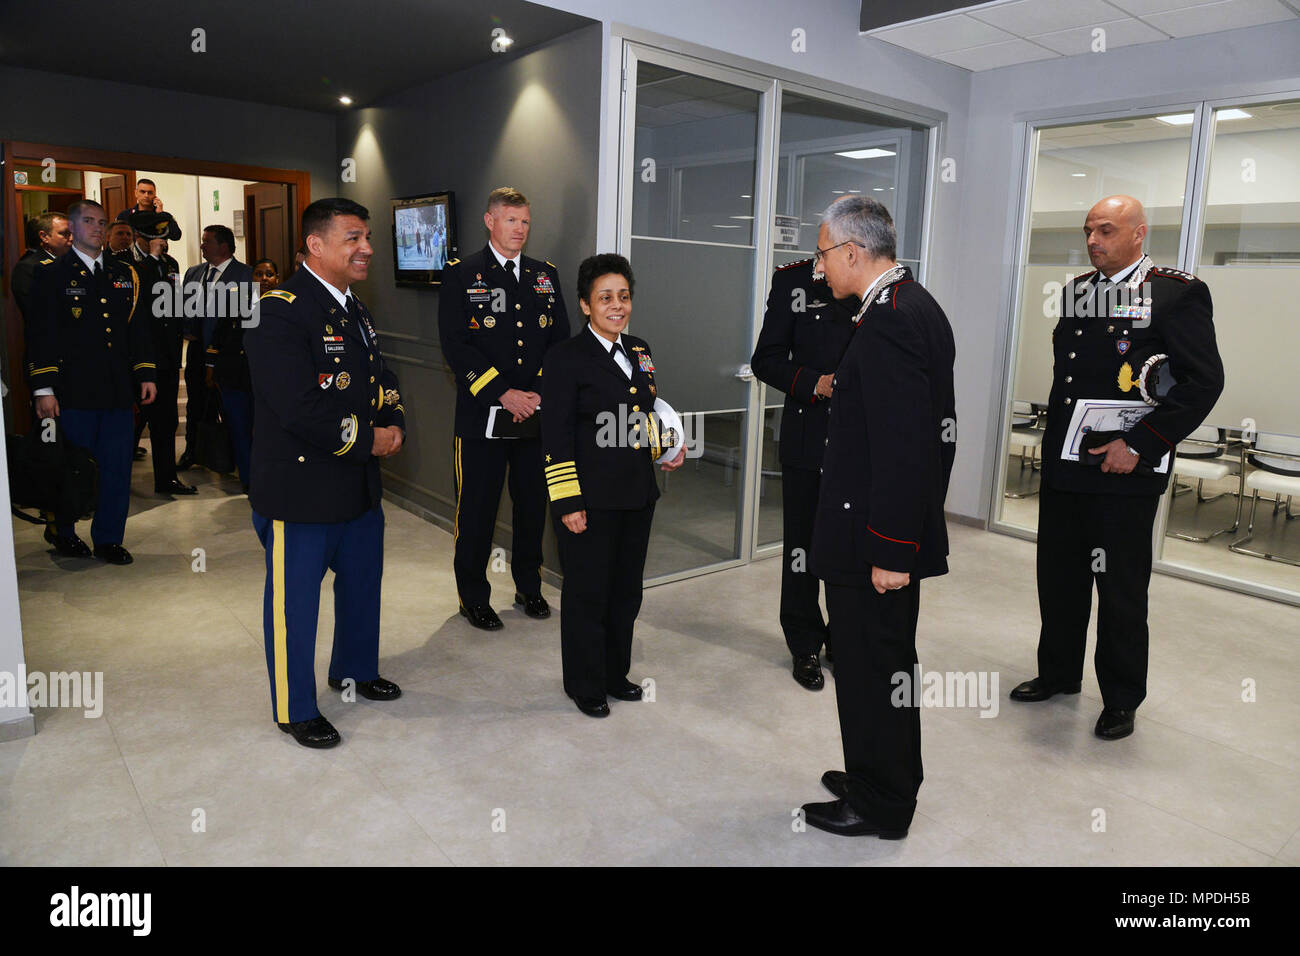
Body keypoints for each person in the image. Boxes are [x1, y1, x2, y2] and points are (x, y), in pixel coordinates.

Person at [1010, 195, 1224, 741]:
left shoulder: (1176, 294)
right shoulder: (1078, 291)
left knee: (1121, 589)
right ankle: (1058, 673)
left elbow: (1203, 382)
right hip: (1069, 462)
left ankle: (1122, 697)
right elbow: (1070, 381)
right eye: (1088, 231)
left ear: (1138, 233)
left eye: (1106, 230)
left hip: (1125, 470)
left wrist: (1142, 443)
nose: (1093, 240)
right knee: (1059, 579)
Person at [800, 196, 956, 838]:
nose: (818, 271)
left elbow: (905, 447)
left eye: (822, 256)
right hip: (872, 530)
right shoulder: (906, 305)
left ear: (852, 253)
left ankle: (883, 801)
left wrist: (893, 550)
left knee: (874, 668)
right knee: (873, 665)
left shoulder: (892, 319)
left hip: (875, 541)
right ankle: (874, 776)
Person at [243, 198, 406, 749]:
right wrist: (371, 438)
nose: (367, 249)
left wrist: (394, 418)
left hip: (357, 485)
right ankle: (294, 707)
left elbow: (380, 375)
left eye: (367, 238)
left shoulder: (354, 307)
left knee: (362, 586)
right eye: (353, 238)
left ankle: (355, 669)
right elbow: (299, 409)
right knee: (295, 606)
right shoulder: (277, 310)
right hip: (300, 490)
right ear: (316, 245)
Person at [542, 253, 685, 717]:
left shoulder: (640, 349)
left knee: (626, 592)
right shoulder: (566, 357)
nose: (617, 305)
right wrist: (567, 501)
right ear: (585, 304)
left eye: (623, 296)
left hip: (637, 494)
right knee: (588, 593)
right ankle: (583, 684)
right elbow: (555, 433)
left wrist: (667, 446)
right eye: (605, 297)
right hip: (588, 499)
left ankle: (613, 673)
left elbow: (640, 415)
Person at [438, 186, 571, 630]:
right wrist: (502, 393)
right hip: (481, 418)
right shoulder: (462, 274)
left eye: (526, 222)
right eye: (511, 220)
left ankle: (529, 588)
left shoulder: (544, 275)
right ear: (490, 221)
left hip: (535, 414)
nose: (520, 229)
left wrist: (535, 394)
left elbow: (560, 342)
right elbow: (456, 345)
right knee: (476, 511)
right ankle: (473, 597)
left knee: (532, 507)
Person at [25, 199, 158, 564]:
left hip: (116, 390)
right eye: (88, 221)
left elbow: (137, 330)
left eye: (101, 222)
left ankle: (109, 538)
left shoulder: (122, 273)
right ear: (72, 228)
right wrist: (43, 388)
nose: (97, 228)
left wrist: (145, 373)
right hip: (72, 391)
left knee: (117, 467)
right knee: (72, 467)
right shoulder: (52, 274)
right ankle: (63, 532)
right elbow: (41, 334)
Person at [751, 254, 860, 691]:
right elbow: (766, 359)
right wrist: (814, 382)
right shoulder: (792, 281)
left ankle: (845, 640)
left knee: (850, 549)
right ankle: (804, 644)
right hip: (808, 440)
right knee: (803, 550)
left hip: (859, 444)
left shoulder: (874, 278)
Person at [117, 210, 195, 496]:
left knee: (166, 421)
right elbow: (141, 296)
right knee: (132, 423)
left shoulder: (170, 263)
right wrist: (150, 259)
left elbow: (171, 303)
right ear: (141, 236)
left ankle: (167, 479)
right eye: (157, 236)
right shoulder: (123, 262)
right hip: (135, 358)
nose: (162, 242)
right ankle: (116, 483)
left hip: (166, 355)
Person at [178, 225, 254, 472]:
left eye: (206, 241)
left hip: (228, 355)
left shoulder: (245, 274)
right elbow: (184, 306)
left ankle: (233, 458)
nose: (201, 246)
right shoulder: (193, 272)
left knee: (231, 409)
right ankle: (193, 451)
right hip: (197, 351)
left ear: (223, 246)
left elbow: (248, 320)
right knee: (195, 405)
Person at [207, 258, 278, 490]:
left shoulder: (285, 305)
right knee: (240, 430)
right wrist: (211, 368)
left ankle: (270, 477)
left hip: (270, 382)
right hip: (235, 377)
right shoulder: (236, 302)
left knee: (268, 433)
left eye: (269, 274)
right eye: (259, 274)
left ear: (277, 279)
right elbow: (218, 337)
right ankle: (250, 480)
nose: (264, 279)